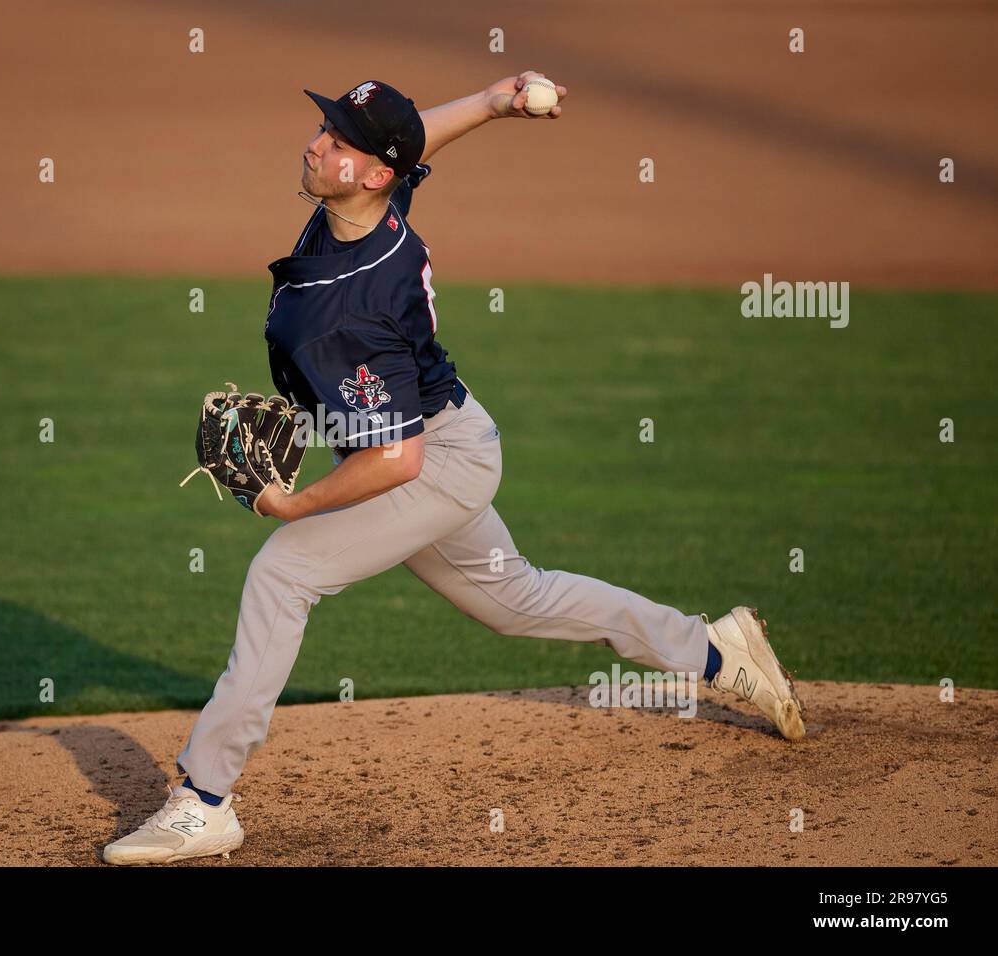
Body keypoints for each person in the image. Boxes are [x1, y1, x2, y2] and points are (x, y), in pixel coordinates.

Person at [102, 73, 804, 866]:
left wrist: (292, 508)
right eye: (327, 128)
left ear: (370, 175)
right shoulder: (368, 207)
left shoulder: (355, 301)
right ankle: (716, 650)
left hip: (432, 462)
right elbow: (410, 140)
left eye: (338, 140)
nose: (317, 143)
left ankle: (203, 802)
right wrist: (494, 102)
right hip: (443, 438)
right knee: (516, 596)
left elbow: (397, 461)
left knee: (283, 574)